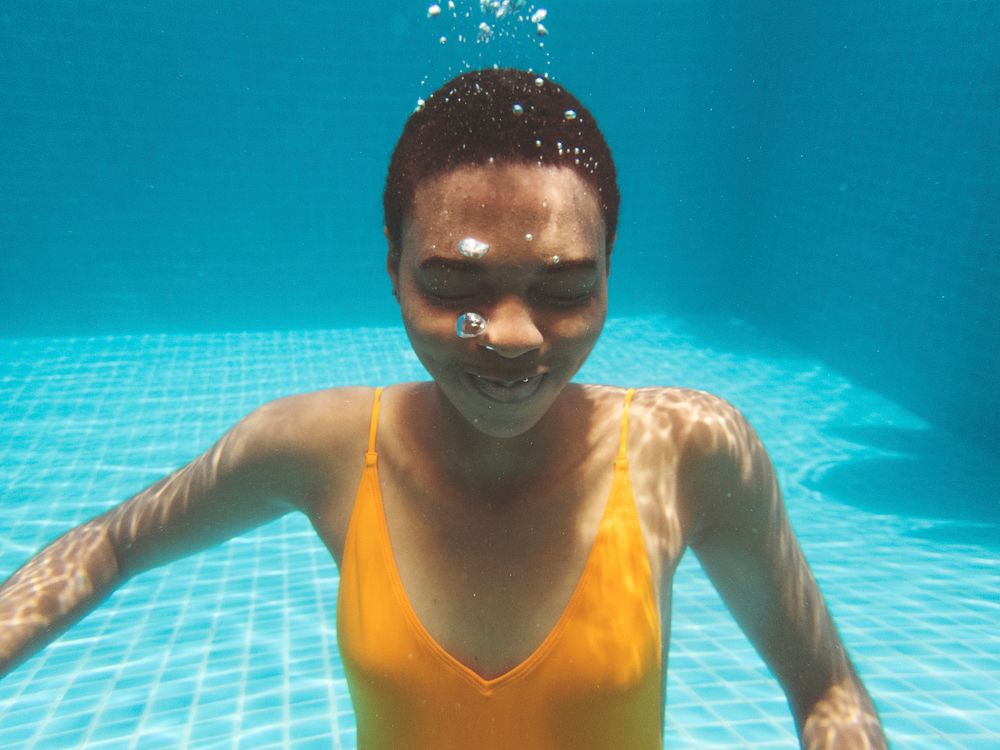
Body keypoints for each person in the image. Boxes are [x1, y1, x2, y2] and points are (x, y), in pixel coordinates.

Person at [0, 68, 886, 749]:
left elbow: (827, 692)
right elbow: (114, 542)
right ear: (392, 268)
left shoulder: (691, 450)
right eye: (453, 285)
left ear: (612, 271)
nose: (509, 337)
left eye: (566, 290)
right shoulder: (318, 447)